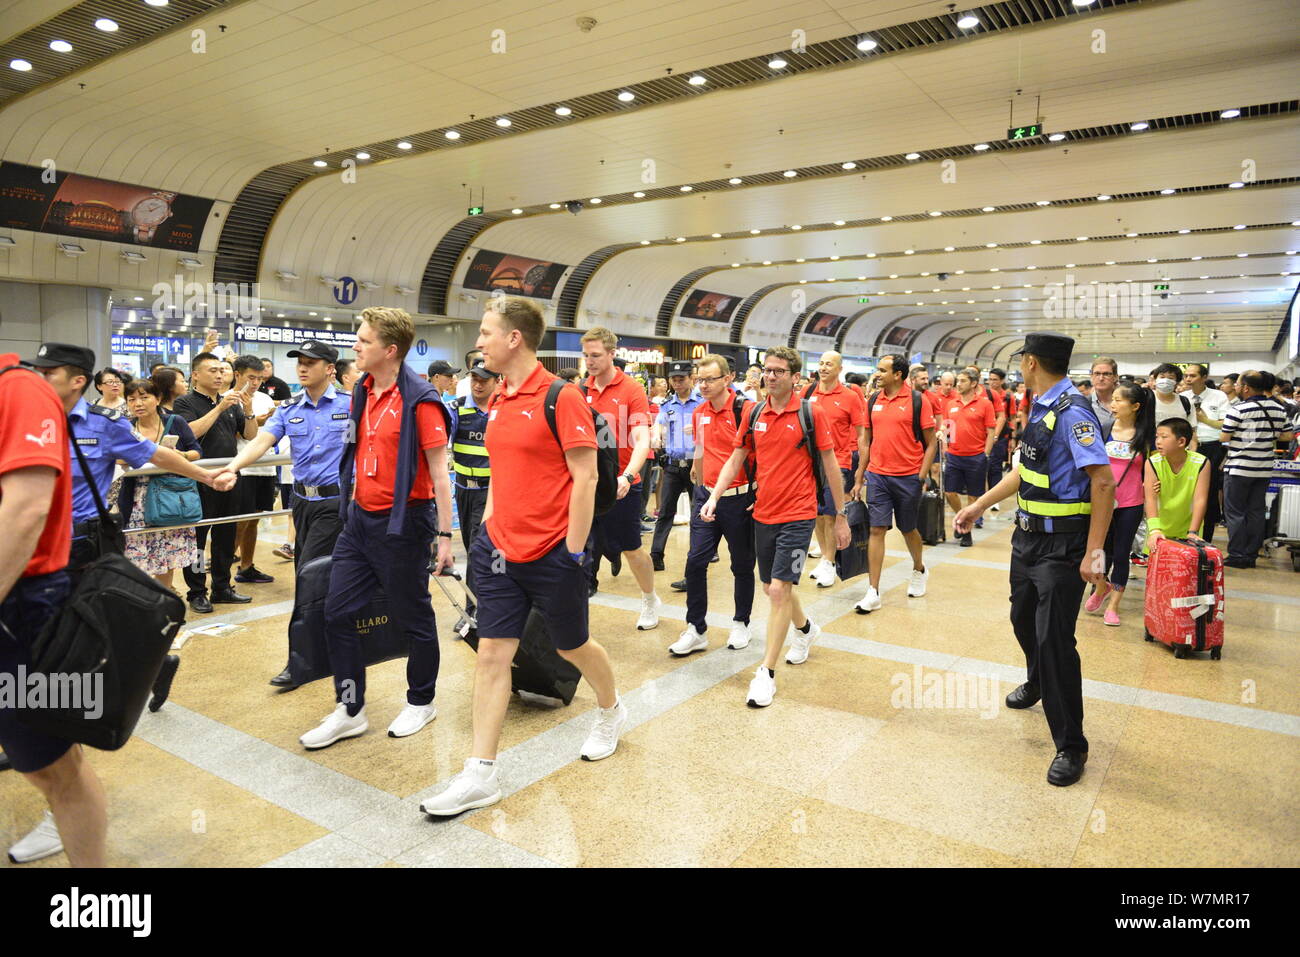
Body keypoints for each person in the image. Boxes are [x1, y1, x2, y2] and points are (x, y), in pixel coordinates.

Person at [422, 297, 624, 816]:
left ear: (514, 338)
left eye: (487, 332)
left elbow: (587, 476)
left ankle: (610, 709)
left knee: (572, 644)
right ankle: (479, 773)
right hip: (499, 551)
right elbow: (502, 470)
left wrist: (574, 550)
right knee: (492, 653)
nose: (480, 341)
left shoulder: (562, 397)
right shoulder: (498, 400)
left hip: (554, 551)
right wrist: (488, 523)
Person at [954, 332, 1114, 787]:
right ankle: (1038, 680)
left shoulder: (1073, 413)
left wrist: (1095, 551)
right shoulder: (1043, 406)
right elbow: (1024, 470)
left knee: (1054, 640)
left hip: (1062, 548)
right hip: (1026, 542)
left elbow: (1103, 482)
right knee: (1022, 619)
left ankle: (1071, 745)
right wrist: (978, 505)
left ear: (1028, 362)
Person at [298, 308, 454, 748]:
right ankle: (350, 708)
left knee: (413, 616)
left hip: (404, 525)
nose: (355, 346)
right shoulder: (364, 389)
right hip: (359, 521)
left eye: (363, 341)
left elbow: (440, 472)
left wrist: (445, 538)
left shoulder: (422, 400)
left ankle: (422, 700)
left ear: (389, 350)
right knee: (337, 612)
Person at [0, 353, 107, 866]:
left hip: (25, 599)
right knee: (38, 758)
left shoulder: (20, 389)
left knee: (51, 763)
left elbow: (25, 508)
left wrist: (207, 472)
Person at [700, 347, 848, 707]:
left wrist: (841, 515)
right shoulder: (753, 414)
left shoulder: (811, 414)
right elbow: (737, 457)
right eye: (767, 370)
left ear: (795, 377)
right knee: (772, 588)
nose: (771, 376)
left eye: (779, 371)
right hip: (763, 512)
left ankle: (766, 673)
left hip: (799, 515)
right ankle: (807, 630)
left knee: (780, 589)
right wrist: (715, 496)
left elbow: (830, 465)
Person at [214, 341, 351, 687]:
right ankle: (332, 649)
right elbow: (262, 441)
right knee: (317, 579)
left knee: (309, 581)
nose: (302, 368)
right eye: (300, 363)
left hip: (336, 506)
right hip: (302, 505)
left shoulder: (352, 407)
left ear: (330, 369)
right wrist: (233, 467)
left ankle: (300, 661)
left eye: (310, 363)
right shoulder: (290, 408)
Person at [668, 354, 757, 655]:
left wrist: (759, 494)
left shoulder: (745, 410)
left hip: (740, 498)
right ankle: (696, 628)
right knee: (695, 562)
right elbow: (702, 446)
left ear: (728, 378)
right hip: (706, 496)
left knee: (742, 564)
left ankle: (741, 622)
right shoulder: (700, 412)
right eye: (699, 380)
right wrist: (698, 470)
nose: (702, 385)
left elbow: (761, 456)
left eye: (709, 379)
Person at [581, 327, 662, 629]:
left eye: (596, 355)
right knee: (578, 547)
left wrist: (627, 475)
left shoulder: (631, 390)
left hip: (622, 486)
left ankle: (650, 597)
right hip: (587, 486)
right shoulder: (580, 391)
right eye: (586, 355)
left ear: (612, 354)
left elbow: (642, 439)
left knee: (631, 549)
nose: (590, 361)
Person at [173, 352, 258, 613]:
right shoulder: (184, 403)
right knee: (198, 537)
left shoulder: (231, 402)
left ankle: (223, 587)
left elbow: (250, 434)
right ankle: (197, 591)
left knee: (226, 534)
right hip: (198, 479)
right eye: (213, 370)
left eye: (222, 371)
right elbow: (190, 434)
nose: (220, 375)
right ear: (195, 375)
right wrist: (219, 408)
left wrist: (248, 409)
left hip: (229, 475)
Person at [854, 354, 938, 613]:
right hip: (878, 475)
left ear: (898, 374)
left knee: (907, 528)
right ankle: (873, 591)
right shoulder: (873, 400)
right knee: (876, 530)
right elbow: (866, 442)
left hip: (908, 476)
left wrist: (921, 476)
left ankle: (919, 569)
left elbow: (932, 442)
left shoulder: (917, 400)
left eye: (882, 370)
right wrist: (860, 476)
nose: (877, 374)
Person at [118, 377, 202, 591]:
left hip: (171, 496)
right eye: (132, 399)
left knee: (168, 552)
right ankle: (143, 601)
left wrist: (178, 455)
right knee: (136, 553)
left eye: (144, 397)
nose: (138, 403)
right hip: (136, 500)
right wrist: (150, 456)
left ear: (157, 399)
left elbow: (197, 451)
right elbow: (114, 456)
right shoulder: (125, 427)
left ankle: (164, 599)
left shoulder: (175, 422)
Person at [1083, 383, 1154, 626]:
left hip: (1131, 503)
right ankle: (1099, 587)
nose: (1113, 404)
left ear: (1135, 406)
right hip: (1101, 501)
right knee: (1099, 549)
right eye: (1112, 399)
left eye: (1118, 400)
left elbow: (1152, 471)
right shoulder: (1104, 429)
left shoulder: (1146, 436)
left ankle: (1113, 605)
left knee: (1122, 553)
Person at [806, 351, 867, 586]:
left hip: (838, 462)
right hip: (810, 463)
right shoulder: (808, 392)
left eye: (829, 364)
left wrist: (861, 466)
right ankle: (824, 556)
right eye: (821, 363)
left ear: (839, 369)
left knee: (832, 515)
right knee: (816, 515)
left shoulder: (850, 397)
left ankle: (831, 562)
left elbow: (861, 434)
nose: (823, 368)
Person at [1220, 371, 1293, 568]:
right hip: (1263, 468)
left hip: (1238, 468)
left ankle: (1236, 555)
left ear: (1246, 388)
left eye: (1237, 383)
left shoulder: (1239, 409)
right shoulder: (1278, 408)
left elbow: (1224, 437)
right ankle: (1251, 555)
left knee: (1235, 513)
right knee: (1256, 512)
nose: (1235, 386)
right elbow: (1287, 436)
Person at [450, 355, 498, 628]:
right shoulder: (456, 410)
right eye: (474, 379)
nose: (478, 385)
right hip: (463, 491)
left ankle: (473, 609)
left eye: (484, 379)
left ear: (497, 381)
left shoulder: (503, 410)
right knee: (473, 548)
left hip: (492, 492)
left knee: (480, 549)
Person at [229, 356, 279, 587]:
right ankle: (223, 568)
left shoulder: (265, 398)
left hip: (265, 467)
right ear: (237, 374)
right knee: (239, 521)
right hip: (242, 468)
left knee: (253, 521)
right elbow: (234, 433)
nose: (256, 382)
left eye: (259, 378)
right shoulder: (227, 399)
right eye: (251, 377)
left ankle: (246, 566)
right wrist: (256, 420)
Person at [649, 361, 703, 574]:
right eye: (674, 379)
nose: (677, 383)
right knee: (665, 512)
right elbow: (659, 427)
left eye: (682, 379)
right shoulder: (667, 405)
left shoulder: (701, 403)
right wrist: (656, 436)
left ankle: (699, 554)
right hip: (672, 465)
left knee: (697, 512)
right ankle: (656, 554)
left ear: (692, 378)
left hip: (695, 464)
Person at [942, 369, 996, 546]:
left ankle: (967, 532)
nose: (958, 384)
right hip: (954, 455)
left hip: (976, 457)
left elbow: (990, 431)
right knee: (949, 493)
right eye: (958, 380)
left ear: (973, 383)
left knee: (974, 496)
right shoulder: (951, 403)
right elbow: (947, 428)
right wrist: (945, 447)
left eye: (963, 381)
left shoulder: (985, 404)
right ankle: (962, 518)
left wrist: (985, 454)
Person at [1180, 363, 1231, 542]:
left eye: (1192, 376)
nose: (1188, 379)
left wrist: (1205, 420)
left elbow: (1226, 424)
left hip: (1212, 447)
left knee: (1208, 493)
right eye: (1186, 375)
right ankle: (1184, 532)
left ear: (1204, 377)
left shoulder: (1218, 396)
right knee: (1186, 491)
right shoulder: (1182, 397)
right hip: (1186, 448)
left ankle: (1206, 537)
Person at [1144, 419, 1210, 557]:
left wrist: (1193, 532)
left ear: (1181, 442)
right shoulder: (1152, 462)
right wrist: (1154, 530)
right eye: (1157, 436)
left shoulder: (1201, 462)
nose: (1158, 441)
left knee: (1186, 574)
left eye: (1164, 437)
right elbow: (1150, 499)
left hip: (1189, 529)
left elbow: (1200, 500)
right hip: (1159, 529)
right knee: (1158, 574)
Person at [1150, 363, 1197, 452]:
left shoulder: (1186, 402)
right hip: (1149, 448)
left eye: (1171, 378)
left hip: (1177, 449)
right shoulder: (1146, 398)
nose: (1165, 380)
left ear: (1177, 382)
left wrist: (1192, 451)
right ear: (1155, 380)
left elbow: (1192, 430)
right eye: (1162, 377)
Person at [986, 368, 1016, 498]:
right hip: (985, 436)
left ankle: (995, 495)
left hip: (1001, 437)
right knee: (984, 465)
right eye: (990, 379)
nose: (992, 382)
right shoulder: (984, 395)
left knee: (996, 465)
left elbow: (1012, 418)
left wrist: (1013, 438)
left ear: (1002, 381)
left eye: (995, 380)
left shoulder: (1008, 397)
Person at [1088, 356, 1119, 438]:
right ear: (1091, 376)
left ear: (1115, 377)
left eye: (1106, 374)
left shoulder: (1126, 403)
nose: (1101, 378)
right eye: (1097, 374)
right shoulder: (1085, 404)